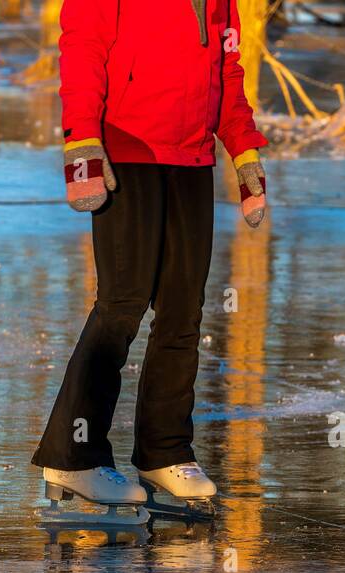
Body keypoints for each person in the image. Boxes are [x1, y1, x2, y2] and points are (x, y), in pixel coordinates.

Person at [32, 0, 268, 515]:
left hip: (191, 156)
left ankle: (165, 451)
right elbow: (83, 49)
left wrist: (244, 148)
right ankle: (73, 456)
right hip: (125, 147)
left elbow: (227, 71)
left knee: (183, 311)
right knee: (122, 306)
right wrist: (82, 142)